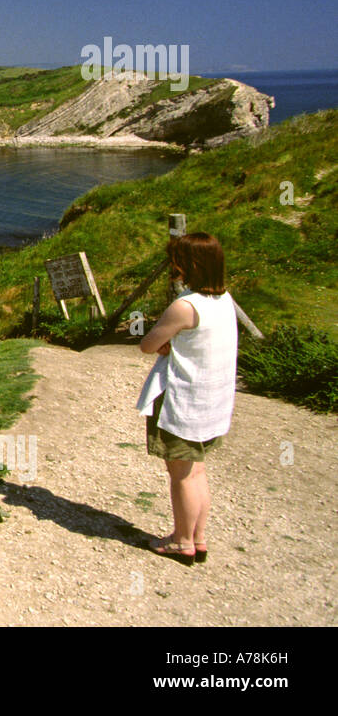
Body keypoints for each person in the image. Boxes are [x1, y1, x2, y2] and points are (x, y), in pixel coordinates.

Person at [138, 232, 238, 566]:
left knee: (180, 474)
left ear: (189, 264)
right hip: (210, 403)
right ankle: (198, 537)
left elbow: (148, 344)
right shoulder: (224, 301)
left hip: (181, 401)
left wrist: (167, 342)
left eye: (176, 260)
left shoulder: (185, 306)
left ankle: (181, 541)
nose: (173, 266)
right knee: (197, 471)